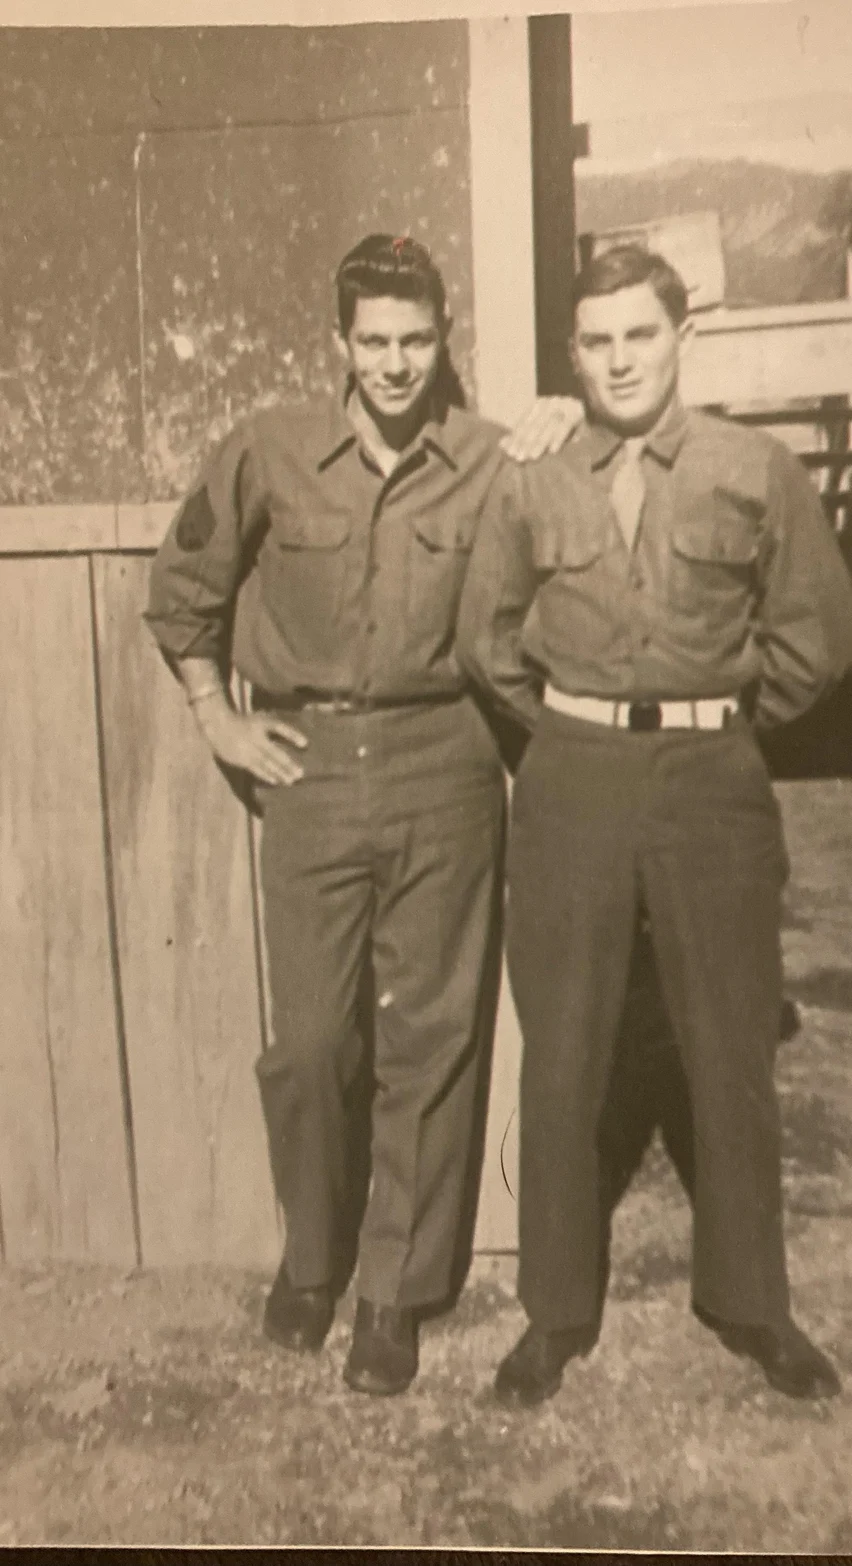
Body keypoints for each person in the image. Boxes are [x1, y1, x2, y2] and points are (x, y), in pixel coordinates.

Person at [145, 234, 578, 1397]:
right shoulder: (271, 449)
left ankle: (392, 1292)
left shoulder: (488, 458)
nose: (395, 365)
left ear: (445, 344)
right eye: (374, 341)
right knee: (316, 1044)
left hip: (447, 760)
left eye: (417, 341)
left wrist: (567, 418)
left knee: (433, 1039)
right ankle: (314, 1253)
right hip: (312, 767)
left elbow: (585, 499)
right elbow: (180, 594)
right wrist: (219, 720)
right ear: (340, 344)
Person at [457, 243, 852, 1409]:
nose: (620, 359)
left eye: (641, 333)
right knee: (566, 1048)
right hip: (573, 773)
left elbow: (814, 641)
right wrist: (572, 732)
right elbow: (488, 642)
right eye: (597, 340)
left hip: (711, 775)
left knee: (730, 1044)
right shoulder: (530, 478)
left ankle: (753, 1305)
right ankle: (553, 1315)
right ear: (572, 354)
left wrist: (721, 725)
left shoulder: (753, 467)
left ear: (684, 336)